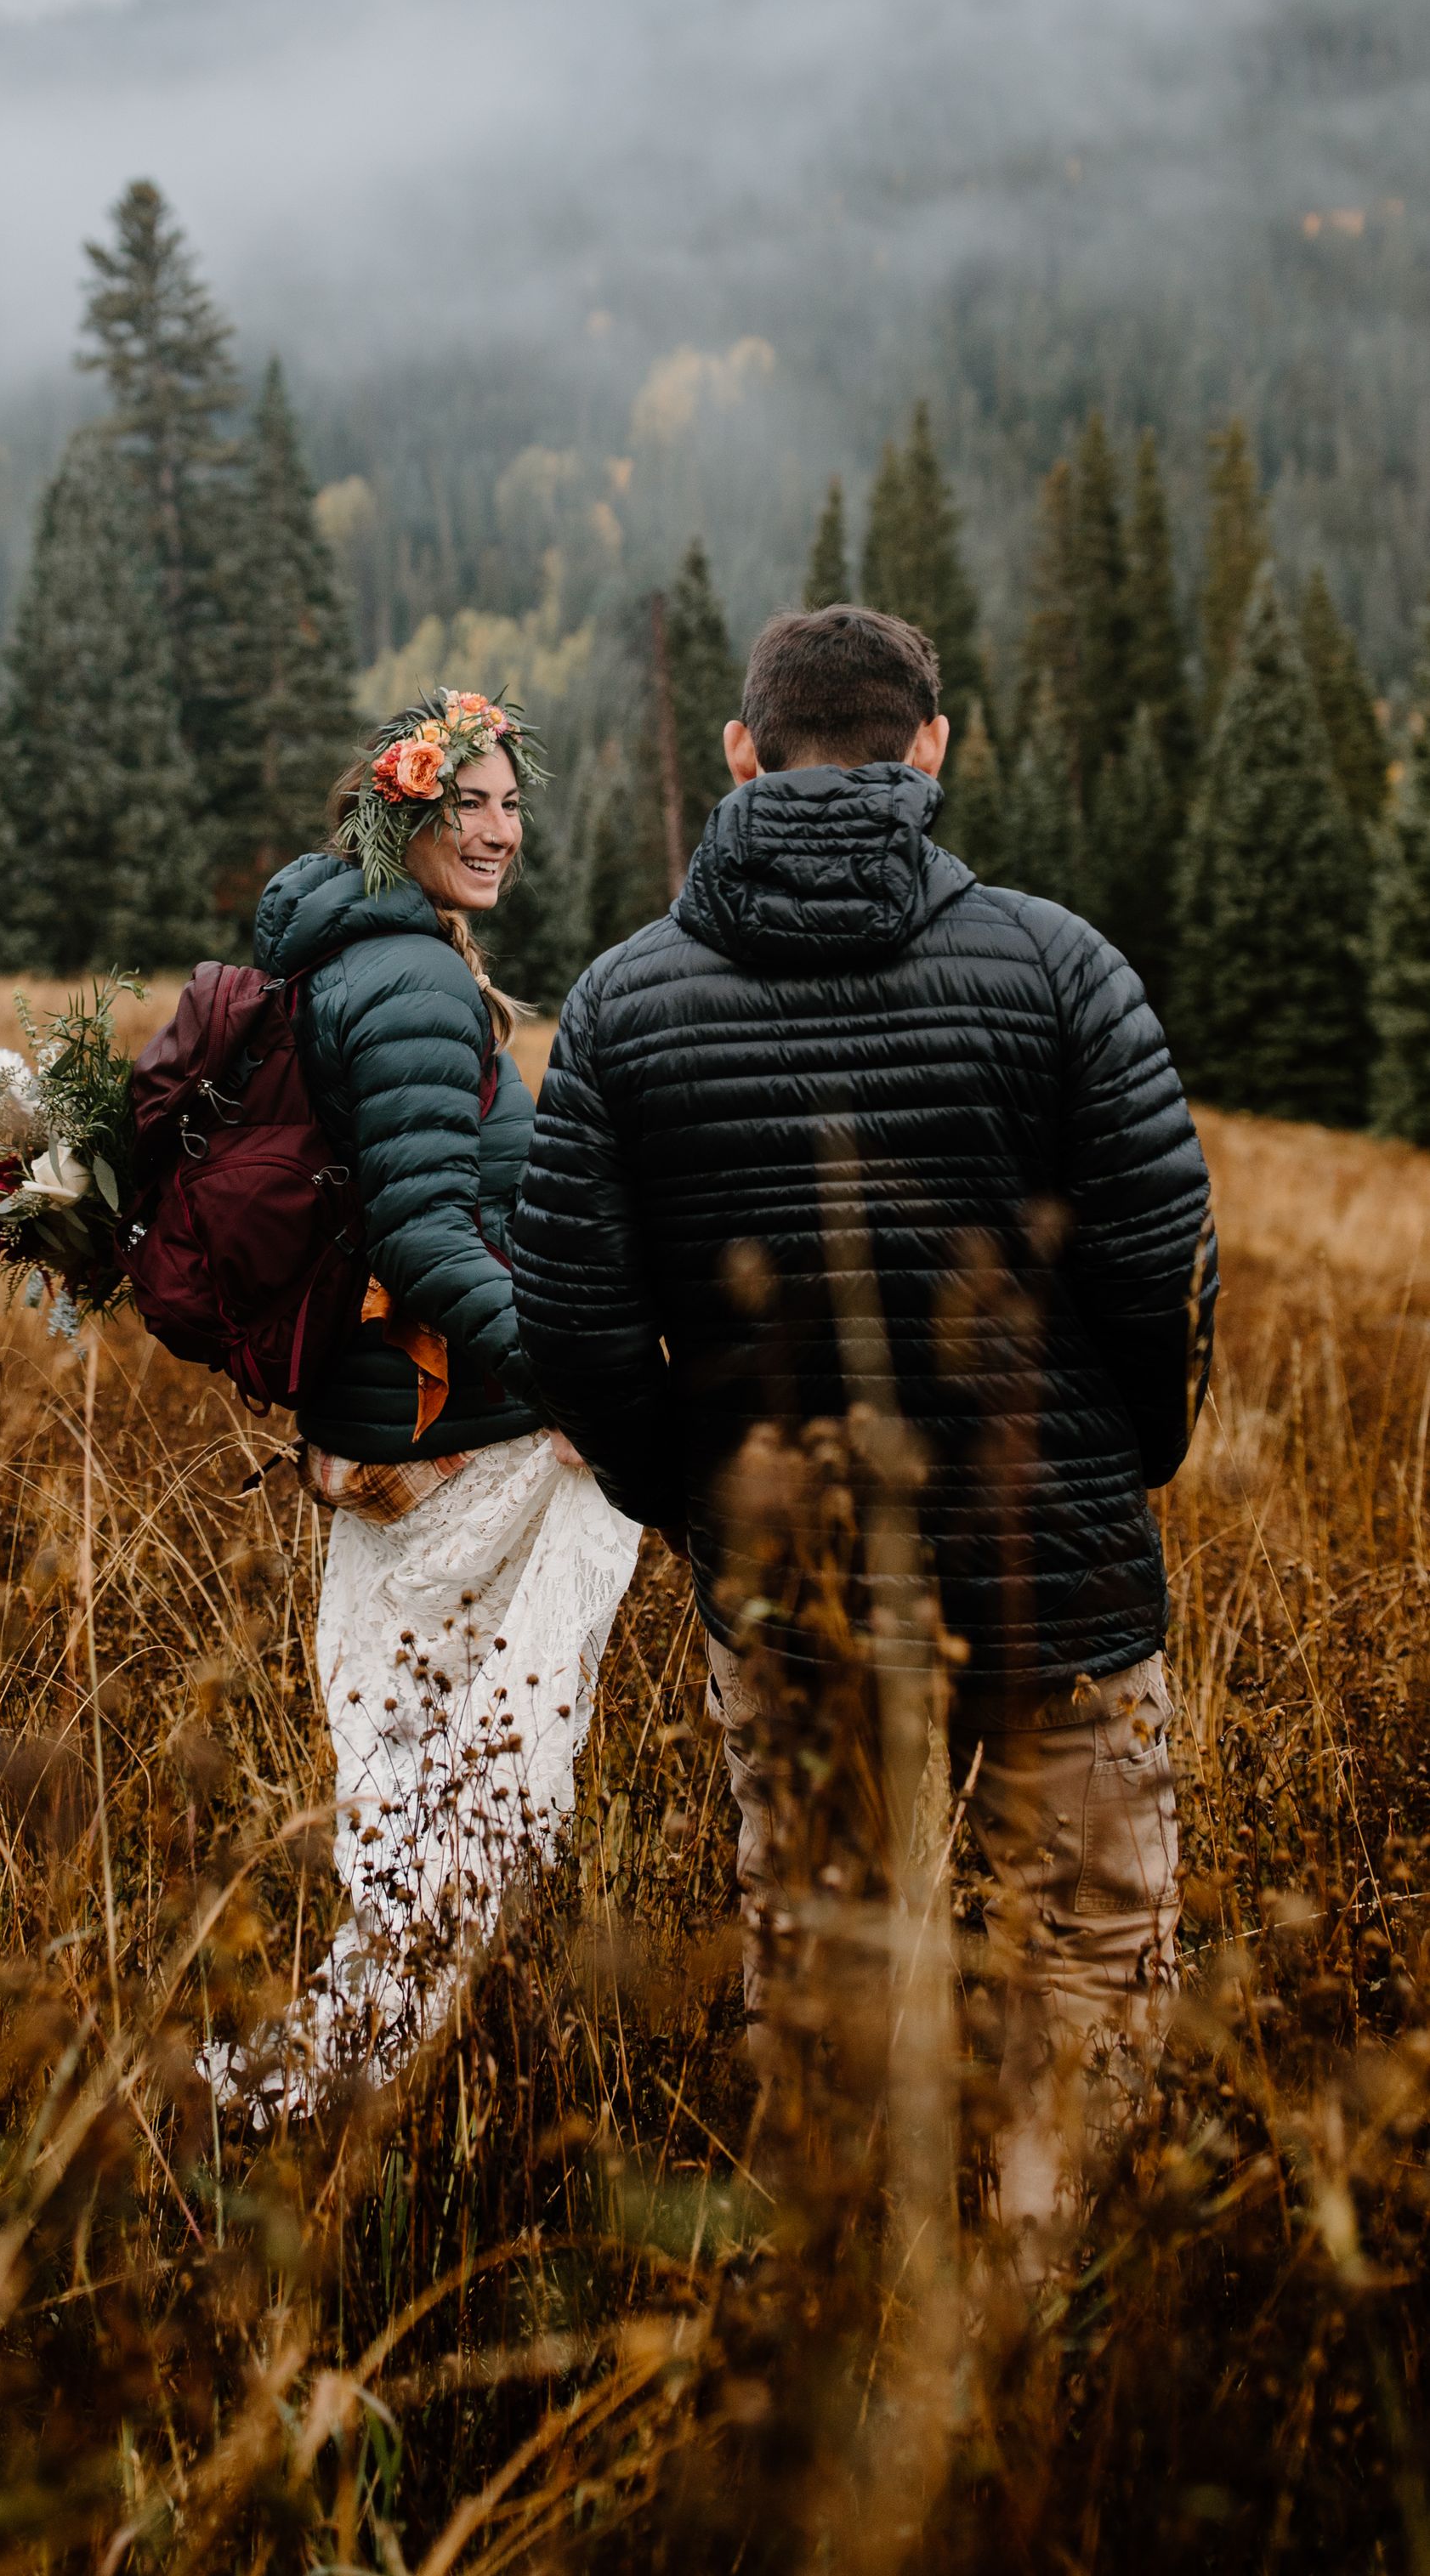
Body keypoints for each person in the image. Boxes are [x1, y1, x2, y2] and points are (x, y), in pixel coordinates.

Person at [508, 603, 1217, 2262]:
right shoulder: (1062, 967)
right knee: (1085, 1962)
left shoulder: (617, 1004)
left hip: (792, 1595)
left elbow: (572, 1322)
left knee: (826, 1967)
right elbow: (1159, 1270)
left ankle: (842, 2316)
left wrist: (702, 1505)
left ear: (743, 753)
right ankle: (1046, 2323)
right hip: (1059, 1583)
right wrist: (1118, 1469)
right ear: (931, 746)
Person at [230, 689, 641, 2105]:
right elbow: (419, 1235)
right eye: (467, 803)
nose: (499, 830)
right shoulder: (410, 979)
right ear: (396, 815)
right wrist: (571, 1367)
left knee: (413, 1777)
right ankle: (372, 2079)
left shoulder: (360, 955)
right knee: (472, 1773)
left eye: (512, 804)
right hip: (459, 1438)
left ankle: (388, 2073)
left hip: (402, 1429)